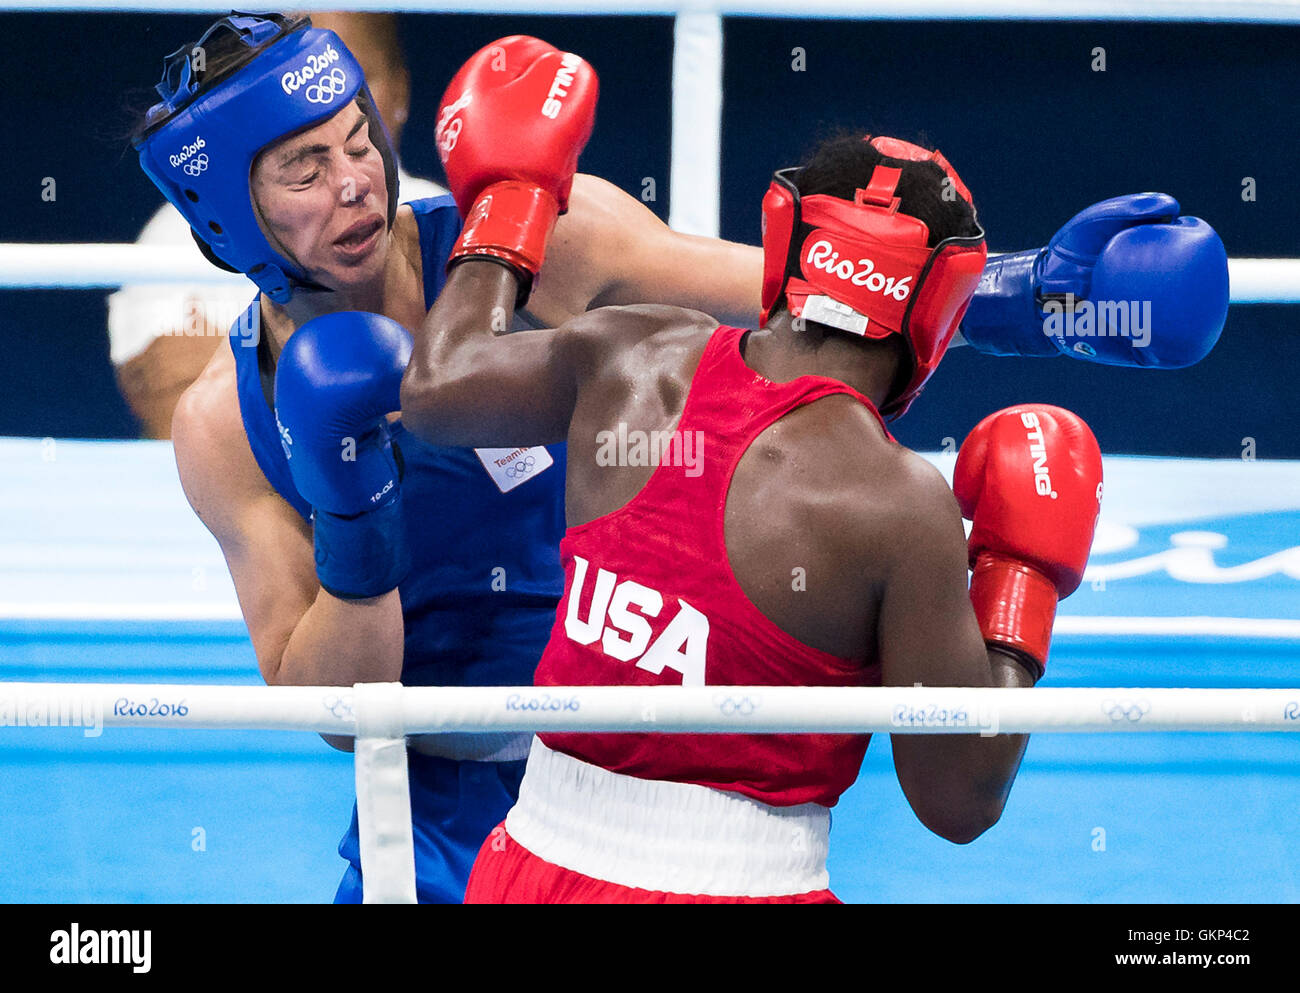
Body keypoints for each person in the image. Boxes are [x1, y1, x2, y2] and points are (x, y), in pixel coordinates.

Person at [132, 16, 1214, 903]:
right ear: (226, 216)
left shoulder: (539, 235)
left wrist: (1031, 300)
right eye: (305, 169)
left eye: (356, 139)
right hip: (436, 811)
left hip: (672, 762)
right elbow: (330, 709)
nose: (356, 183)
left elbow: (810, 298)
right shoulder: (231, 423)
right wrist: (354, 517)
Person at [399, 46, 1104, 902]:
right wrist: (1018, 584)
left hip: (527, 865)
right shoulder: (895, 503)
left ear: (786, 245)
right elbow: (959, 798)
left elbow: (436, 393)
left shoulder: (633, 352)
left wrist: (507, 201)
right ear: (938, 310)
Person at [111, 11, 442, 439]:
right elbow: (176, 424)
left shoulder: (455, 224)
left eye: (331, 80)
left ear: (399, 90)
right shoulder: (176, 240)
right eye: (305, 172)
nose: (315, 104)